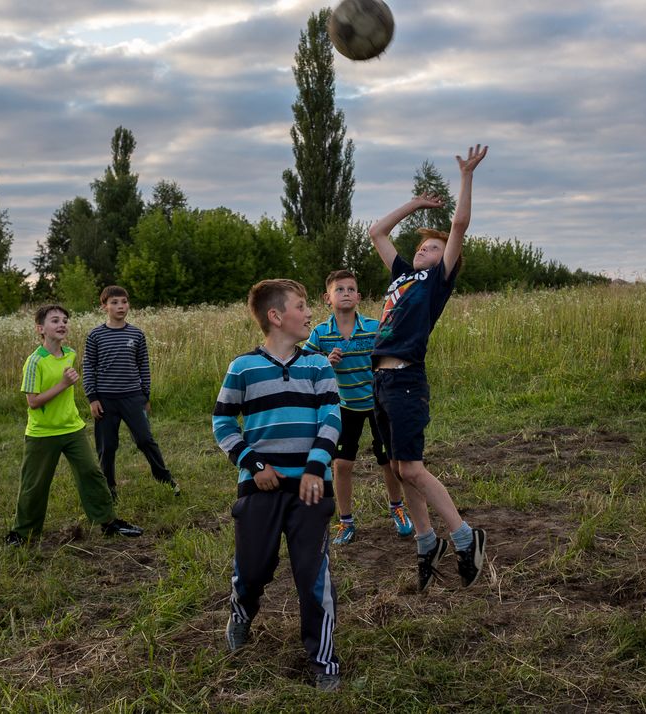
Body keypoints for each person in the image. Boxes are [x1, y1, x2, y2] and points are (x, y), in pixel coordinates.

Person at [368, 144, 489, 591]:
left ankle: (464, 536)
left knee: (412, 468)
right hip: (380, 379)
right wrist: (416, 204)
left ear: (445, 259)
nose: (427, 251)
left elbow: (459, 223)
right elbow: (377, 231)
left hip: (405, 379)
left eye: (436, 248)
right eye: (424, 246)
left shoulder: (437, 283)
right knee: (399, 468)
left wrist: (466, 177)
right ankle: (425, 541)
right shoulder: (402, 275)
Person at [212, 279, 342, 691]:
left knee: (312, 575)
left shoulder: (318, 365)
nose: (309, 314)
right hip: (260, 488)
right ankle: (241, 612)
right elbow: (222, 422)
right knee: (253, 569)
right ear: (276, 316)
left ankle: (324, 662)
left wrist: (314, 467)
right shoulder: (243, 368)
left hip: (311, 488)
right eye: (301, 307)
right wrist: (254, 465)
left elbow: (331, 420)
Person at [5, 304, 143, 546]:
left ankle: (108, 523)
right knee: (34, 484)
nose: (62, 325)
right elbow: (33, 402)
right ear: (41, 328)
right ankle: (22, 533)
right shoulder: (34, 361)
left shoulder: (70, 354)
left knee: (91, 472)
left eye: (65, 320)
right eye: (55, 321)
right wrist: (63, 384)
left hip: (72, 428)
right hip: (42, 433)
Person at [305, 269, 414, 545]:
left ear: (359, 296)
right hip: (344, 406)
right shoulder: (320, 333)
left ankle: (397, 507)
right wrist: (324, 360)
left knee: (388, 460)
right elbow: (303, 362)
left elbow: (392, 354)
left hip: (377, 403)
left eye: (351, 289)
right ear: (326, 298)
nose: (346, 294)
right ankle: (346, 521)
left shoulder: (373, 327)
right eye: (339, 289)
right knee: (341, 464)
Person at [83, 285, 179, 503]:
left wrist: (145, 396)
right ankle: (109, 488)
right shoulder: (95, 335)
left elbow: (143, 366)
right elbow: (88, 366)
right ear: (104, 306)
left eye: (124, 302)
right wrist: (92, 397)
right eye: (115, 302)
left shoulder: (136, 334)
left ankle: (164, 478)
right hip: (105, 399)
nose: (120, 306)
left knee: (145, 439)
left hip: (132, 397)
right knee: (107, 447)